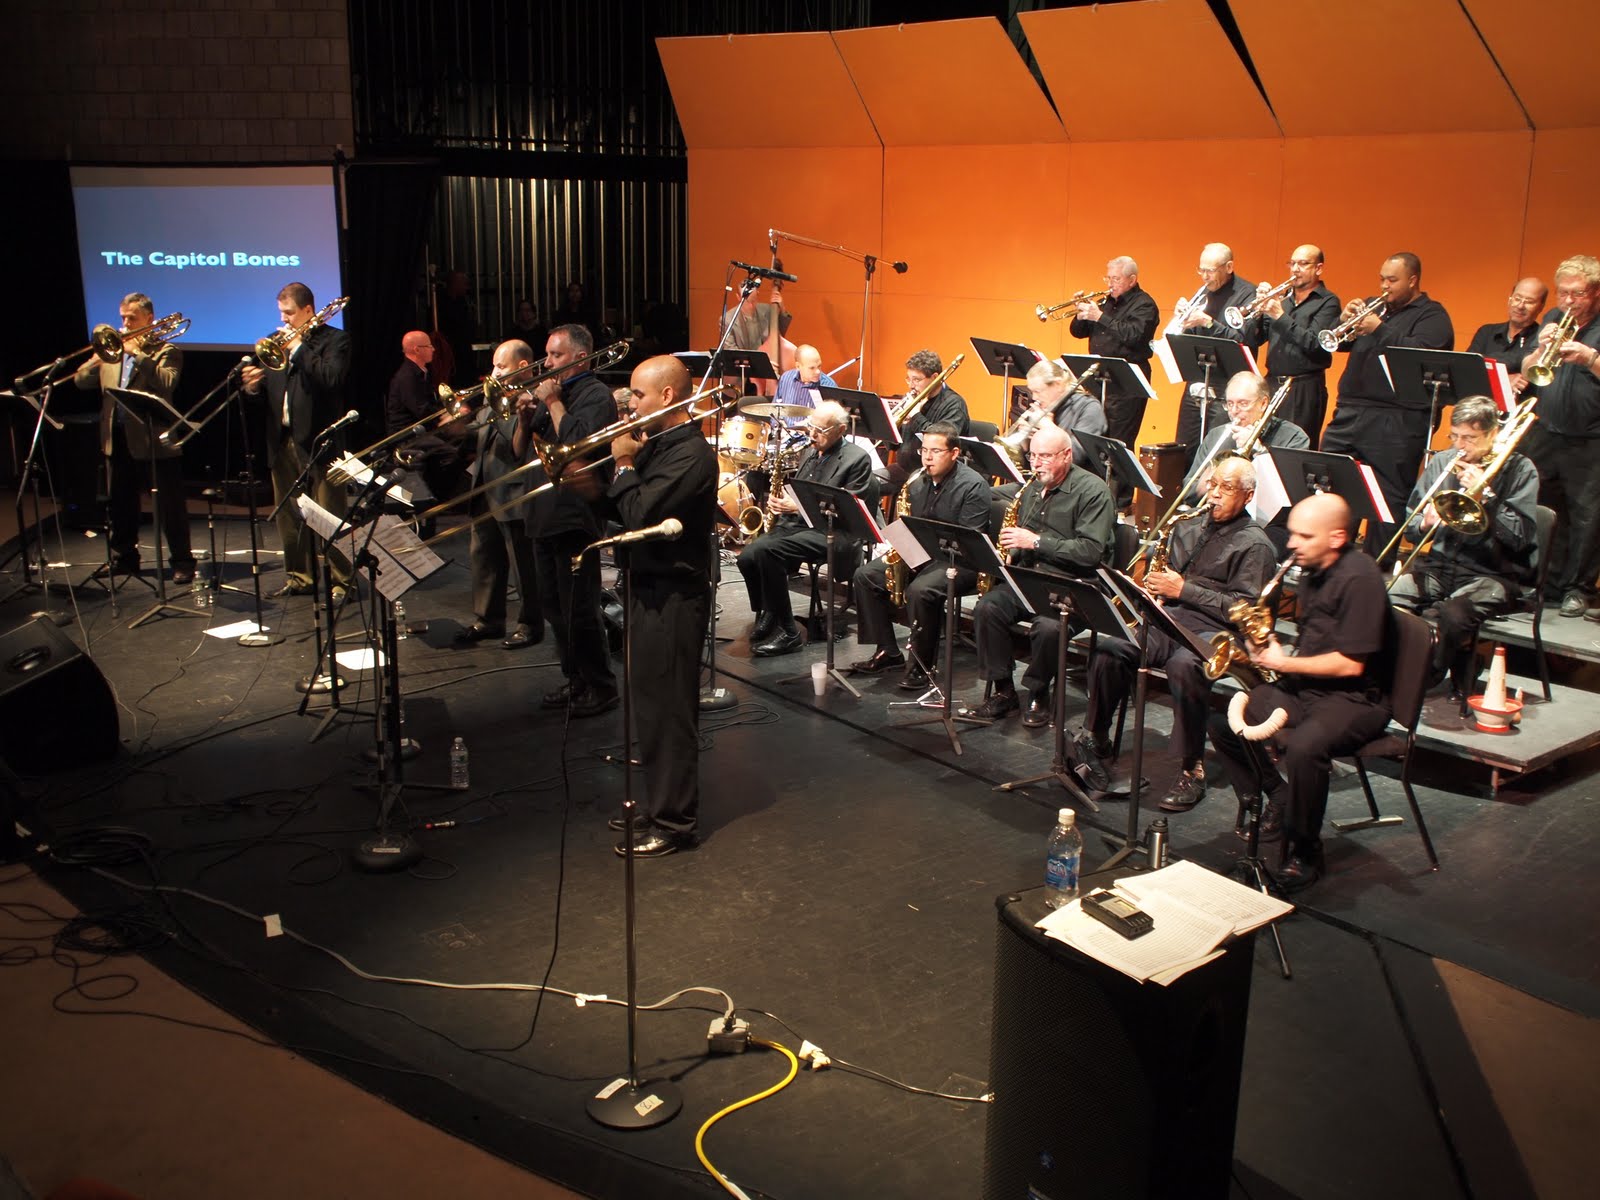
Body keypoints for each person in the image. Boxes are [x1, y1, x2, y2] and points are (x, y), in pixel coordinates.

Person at [1206, 492, 1396, 892]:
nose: (1291, 544)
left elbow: (1350, 663)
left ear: (1337, 537)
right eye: (1292, 534)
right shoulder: (1312, 571)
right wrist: (1264, 645)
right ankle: (1278, 795)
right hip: (1308, 687)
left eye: (1304, 536)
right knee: (1224, 725)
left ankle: (1305, 852)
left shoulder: (1361, 579)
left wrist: (1283, 664)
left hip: (1356, 697)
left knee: (1306, 747)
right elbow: (1314, 645)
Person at [1072, 456, 1276, 810]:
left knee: (1186, 667)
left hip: (1218, 632)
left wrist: (1185, 590)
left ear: (1247, 495)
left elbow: (1244, 609)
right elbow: (1169, 580)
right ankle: (1097, 735)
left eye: (1225, 489)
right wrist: (1155, 590)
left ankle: (1191, 768)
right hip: (1170, 619)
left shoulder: (1255, 545)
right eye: (1212, 485)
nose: (1213, 495)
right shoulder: (1188, 525)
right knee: (1112, 648)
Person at [606, 355, 720, 858]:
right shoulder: (658, 446)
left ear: (668, 396)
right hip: (646, 590)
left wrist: (625, 464)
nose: (631, 405)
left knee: (670, 712)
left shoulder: (690, 455)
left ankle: (674, 823)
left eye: (637, 395)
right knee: (647, 706)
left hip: (674, 598)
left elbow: (637, 513)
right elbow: (616, 504)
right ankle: (655, 806)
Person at [969, 422, 1115, 721]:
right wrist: (1011, 551)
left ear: (1066, 455)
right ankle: (1004, 691)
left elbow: (1090, 552)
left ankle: (1038, 692)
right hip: (1031, 577)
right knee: (988, 608)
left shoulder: (1093, 491)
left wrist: (1035, 541)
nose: (1036, 464)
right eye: (1033, 456)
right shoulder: (1032, 488)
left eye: (1045, 456)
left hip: (1074, 583)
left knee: (1048, 627)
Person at [1388, 396, 1537, 687]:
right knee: (1387, 595)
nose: (1460, 446)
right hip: (1440, 565)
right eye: (1454, 436)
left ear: (1493, 433)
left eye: (1469, 438)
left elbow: (1520, 538)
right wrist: (1425, 523)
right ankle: (1392, 668)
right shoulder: (1443, 462)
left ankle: (1427, 675)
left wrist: (1487, 497)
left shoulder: (1521, 470)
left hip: (1492, 573)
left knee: (1453, 615)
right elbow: (1410, 526)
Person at [1319, 252, 1454, 558]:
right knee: (1336, 485)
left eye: (1392, 280)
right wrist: (1342, 321)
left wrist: (1378, 328)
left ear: (1413, 280)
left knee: (1387, 496)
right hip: (1351, 412)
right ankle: (1331, 560)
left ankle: (1376, 568)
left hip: (1398, 418)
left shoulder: (1432, 316)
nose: (1384, 286)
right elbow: (1333, 342)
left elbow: (1421, 356)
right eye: (1381, 278)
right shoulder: (1375, 305)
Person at [514, 324, 618, 714]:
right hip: (542, 512)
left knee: (579, 608)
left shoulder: (596, 396)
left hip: (575, 514)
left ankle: (603, 687)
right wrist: (525, 419)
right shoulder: (549, 395)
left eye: (555, 356)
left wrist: (554, 403)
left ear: (579, 357)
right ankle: (575, 679)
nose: (547, 363)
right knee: (553, 607)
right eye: (547, 354)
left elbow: (580, 444)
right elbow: (518, 452)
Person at [850, 422, 988, 688]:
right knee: (865, 576)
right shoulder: (917, 480)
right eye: (925, 450)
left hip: (960, 561)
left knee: (920, 591)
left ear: (955, 453)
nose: (927, 457)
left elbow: (970, 542)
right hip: (923, 552)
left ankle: (922, 667)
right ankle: (888, 651)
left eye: (936, 451)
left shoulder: (973, 486)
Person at [72, 291, 196, 584]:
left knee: (169, 506)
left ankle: (182, 562)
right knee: (120, 504)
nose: (125, 324)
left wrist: (137, 355)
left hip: (153, 439)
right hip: (117, 437)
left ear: (149, 319)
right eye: (123, 317)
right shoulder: (112, 355)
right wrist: (97, 357)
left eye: (132, 318)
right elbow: (79, 381)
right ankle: (124, 559)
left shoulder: (164, 350)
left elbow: (167, 382)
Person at [739, 400, 878, 657]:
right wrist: (780, 503)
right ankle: (771, 612)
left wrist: (797, 506)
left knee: (768, 551)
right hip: (798, 526)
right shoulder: (809, 451)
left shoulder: (857, 460)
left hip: (834, 532)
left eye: (820, 430)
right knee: (748, 557)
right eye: (811, 427)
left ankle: (789, 632)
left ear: (841, 430)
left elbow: (846, 510)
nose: (812, 434)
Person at [241, 282, 352, 597]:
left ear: (307, 310)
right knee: (289, 515)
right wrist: (252, 388)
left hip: (321, 442)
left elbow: (331, 380)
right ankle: (299, 578)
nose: (284, 320)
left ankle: (342, 580)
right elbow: (271, 393)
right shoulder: (278, 344)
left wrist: (300, 348)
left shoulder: (335, 340)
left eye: (290, 313)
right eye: (281, 313)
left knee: (330, 514)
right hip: (282, 440)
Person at [1518, 255, 1600, 617]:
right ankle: (1544, 583)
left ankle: (1577, 589)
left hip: (1590, 437)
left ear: (1595, 293)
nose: (1568, 301)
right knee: (1543, 507)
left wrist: (1590, 358)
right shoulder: (1553, 319)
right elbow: (1528, 371)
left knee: (1586, 516)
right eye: (1563, 293)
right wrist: (1539, 348)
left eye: (1577, 294)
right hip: (1546, 430)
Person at [457, 340, 543, 650]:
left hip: (513, 490)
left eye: (501, 366)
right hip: (484, 486)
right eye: (494, 365)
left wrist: (501, 406)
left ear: (522, 367)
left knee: (523, 564)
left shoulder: (529, 399)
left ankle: (530, 623)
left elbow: (516, 446)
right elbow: (479, 434)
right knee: (483, 557)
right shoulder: (495, 399)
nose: (493, 372)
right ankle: (488, 619)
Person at [1180, 372, 1309, 552]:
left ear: (1263, 403)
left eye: (1243, 404)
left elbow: (1290, 495)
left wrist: (1260, 452)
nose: (1234, 411)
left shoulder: (1293, 437)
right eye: (1229, 404)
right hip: (1216, 518)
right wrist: (1204, 485)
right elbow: (1190, 489)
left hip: (1266, 525)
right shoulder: (1218, 435)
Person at [1174, 243, 1265, 462]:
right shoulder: (1203, 292)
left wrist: (1207, 322)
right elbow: (1191, 338)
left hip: (1228, 389)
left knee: (1218, 453)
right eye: (1201, 270)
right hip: (1197, 382)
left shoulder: (1248, 294)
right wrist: (1185, 320)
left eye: (1210, 271)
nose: (1204, 276)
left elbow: (1245, 338)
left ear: (1229, 267)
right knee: (1184, 448)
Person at [1067, 255, 1160, 457]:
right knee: (1094, 439)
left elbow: (1133, 335)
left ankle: (1118, 489)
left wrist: (1100, 316)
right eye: (1108, 278)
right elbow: (1078, 332)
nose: (1110, 284)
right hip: (1098, 380)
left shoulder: (1145, 305)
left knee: (1118, 444)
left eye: (1116, 279)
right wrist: (1080, 313)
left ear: (1132, 280)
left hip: (1127, 384)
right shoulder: (1103, 302)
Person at [1261, 244, 1340, 447]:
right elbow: (1257, 336)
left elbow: (1315, 343)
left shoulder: (1328, 302)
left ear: (1319, 268)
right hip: (1271, 384)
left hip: (1303, 388)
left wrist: (1279, 316)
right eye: (1292, 263)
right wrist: (1260, 309)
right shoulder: (1284, 299)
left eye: (1303, 264)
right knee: (1262, 446)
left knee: (1293, 450)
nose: (1295, 269)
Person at [385, 330, 467, 504]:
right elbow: (421, 410)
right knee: (450, 454)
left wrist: (449, 411)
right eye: (429, 346)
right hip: (407, 435)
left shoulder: (421, 372)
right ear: (417, 350)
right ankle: (438, 498)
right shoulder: (407, 376)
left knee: (465, 439)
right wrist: (447, 416)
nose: (433, 350)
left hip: (422, 430)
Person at [886, 349, 970, 496]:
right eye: (908, 379)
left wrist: (916, 416)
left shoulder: (954, 404)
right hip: (905, 469)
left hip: (936, 474)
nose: (911, 385)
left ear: (935, 377)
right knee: (867, 484)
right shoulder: (913, 400)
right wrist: (890, 427)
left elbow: (942, 440)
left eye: (917, 380)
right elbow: (893, 446)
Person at [1467, 278, 1547, 401]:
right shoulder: (1486, 332)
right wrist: (1502, 380)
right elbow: (1467, 368)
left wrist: (1485, 363)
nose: (1520, 306)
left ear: (1541, 306)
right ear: (1510, 299)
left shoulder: (1542, 339)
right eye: (1517, 298)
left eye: (1529, 301)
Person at [1024, 358, 1106, 465]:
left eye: (1038, 391)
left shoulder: (1090, 408)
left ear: (1057, 384)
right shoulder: (1042, 406)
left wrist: (1050, 429)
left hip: (1077, 479)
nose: (1034, 397)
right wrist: (1026, 442)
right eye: (1031, 391)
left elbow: (1076, 456)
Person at [773, 343, 835, 410]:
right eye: (812, 368)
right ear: (798, 366)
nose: (817, 372)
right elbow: (775, 409)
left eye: (819, 366)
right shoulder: (786, 378)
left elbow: (834, 418)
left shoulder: (828, 385)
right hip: (786, 420)